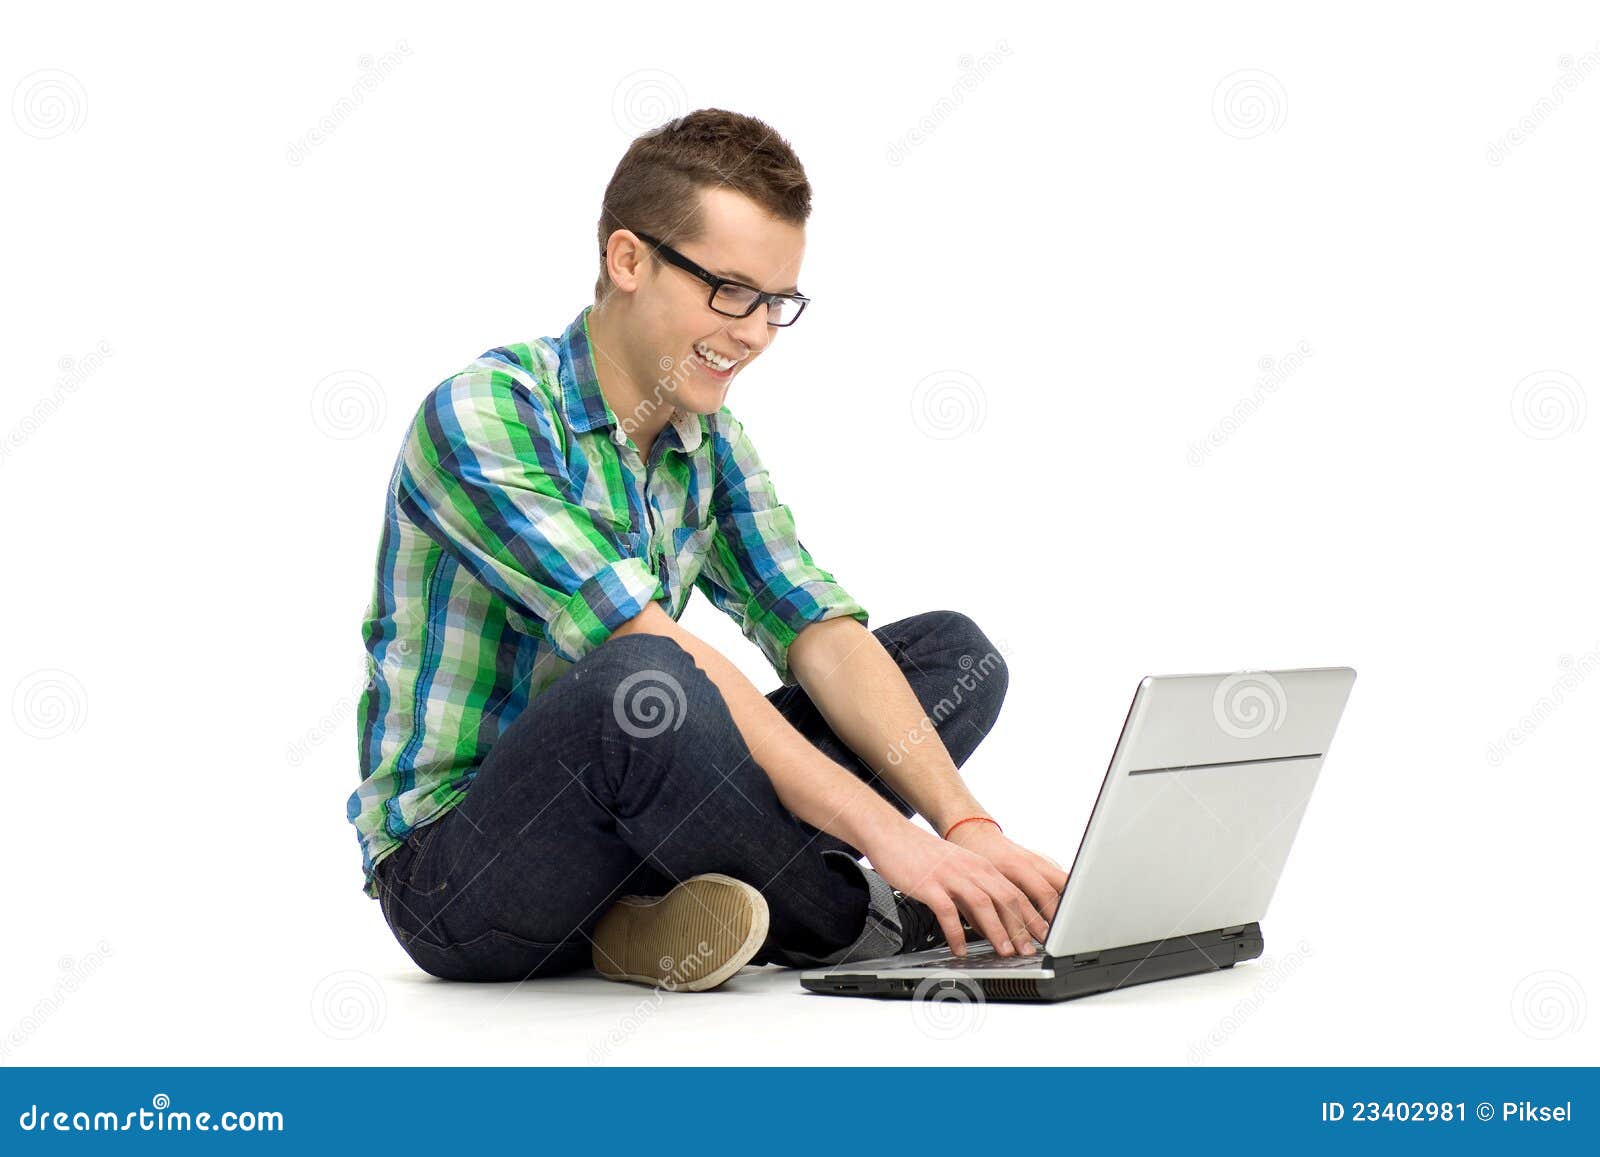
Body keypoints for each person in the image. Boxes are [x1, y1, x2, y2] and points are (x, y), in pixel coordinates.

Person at [349, 107, 1068, 992]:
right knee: (642, 685)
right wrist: (899, 845)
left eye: (777, 303)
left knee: (950, 654)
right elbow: (654, 654)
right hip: (460, 873)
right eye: (730, 291)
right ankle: (868, 915)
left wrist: (967, 830)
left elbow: (815, 626)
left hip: (645, 810)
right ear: (628, 260)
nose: (756, 332)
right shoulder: (484, 414)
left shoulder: (707, 439)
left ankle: (653, 913)